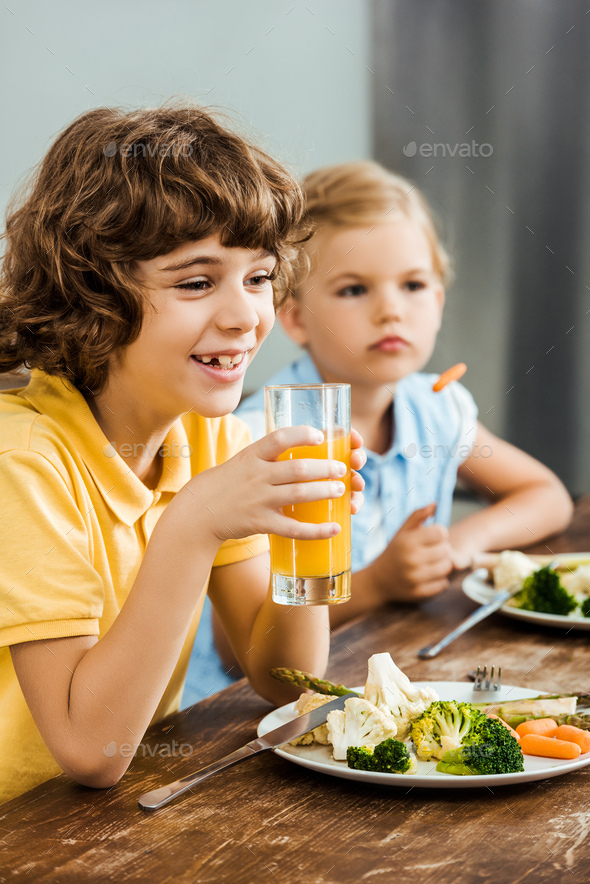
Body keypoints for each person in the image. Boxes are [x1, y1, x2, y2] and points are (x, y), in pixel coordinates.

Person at [0, 106, 365, 804]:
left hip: (113, 823)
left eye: (258, 278)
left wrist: (306, 543)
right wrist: (193, 526)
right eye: (196, 283)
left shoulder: (205, 438)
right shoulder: (22, 459)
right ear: (93, 297)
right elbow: (89, 749)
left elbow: (283, 676)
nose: (244, 316)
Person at [237, 160, 573, 630]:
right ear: (293, 317)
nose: (391, 311)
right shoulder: (260, 439)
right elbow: (247, 637)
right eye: (354, 289)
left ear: (437, 302)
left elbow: (547, 496)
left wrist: (452, 546)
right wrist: (375, 584)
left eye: (413, 285)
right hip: (257, 695)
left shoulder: (437, 407)